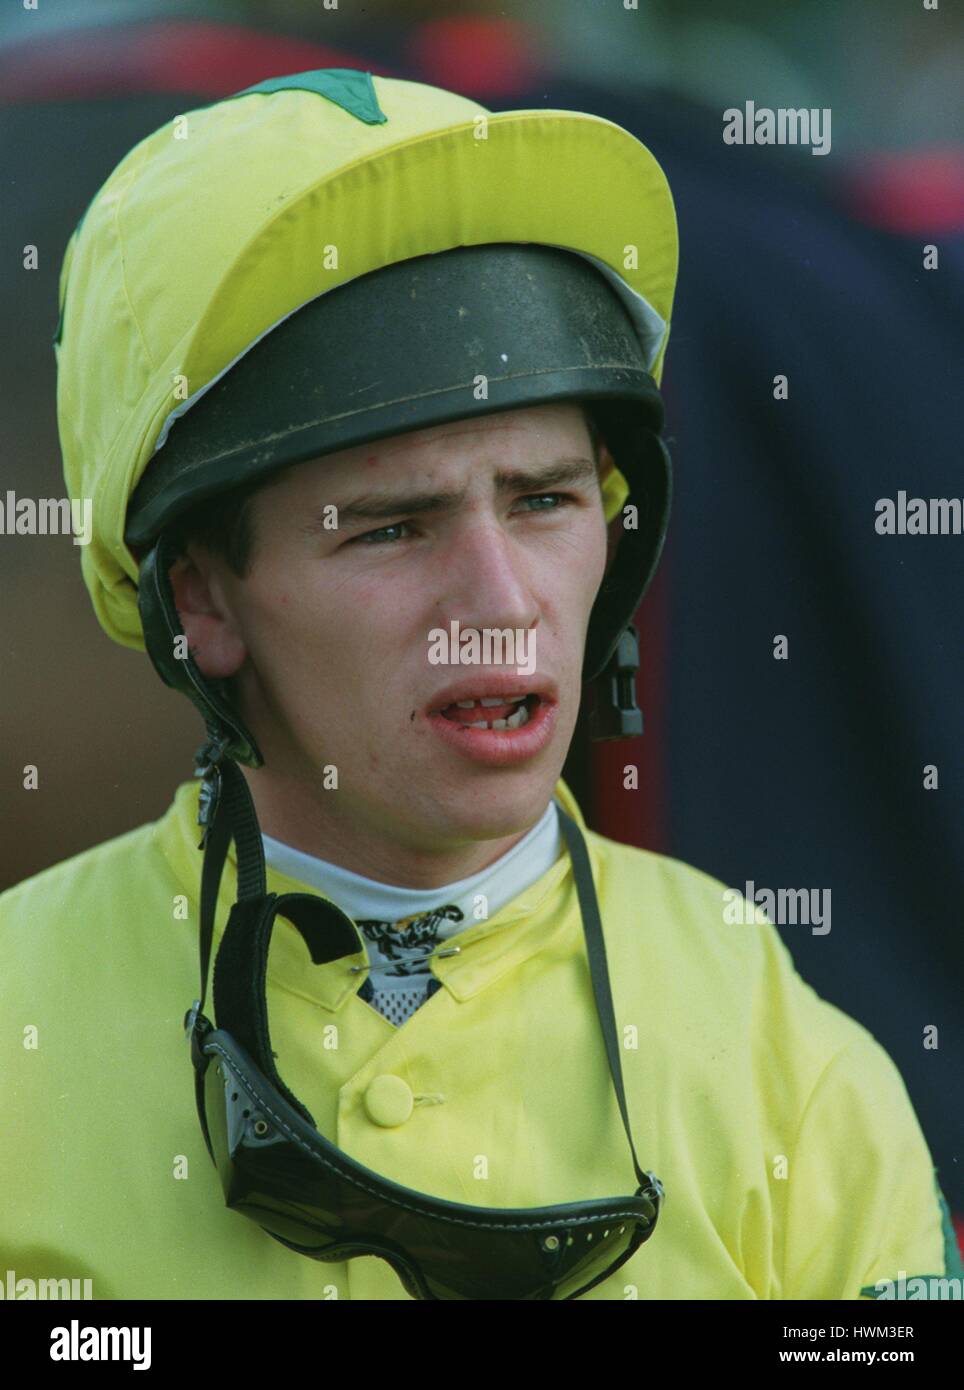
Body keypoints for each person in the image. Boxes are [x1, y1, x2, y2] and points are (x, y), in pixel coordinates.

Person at [1, 68, 958, 1301]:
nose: (503, 603)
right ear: (202, 599)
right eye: (392, 528)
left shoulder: (796, 1064)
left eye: (546, 500)